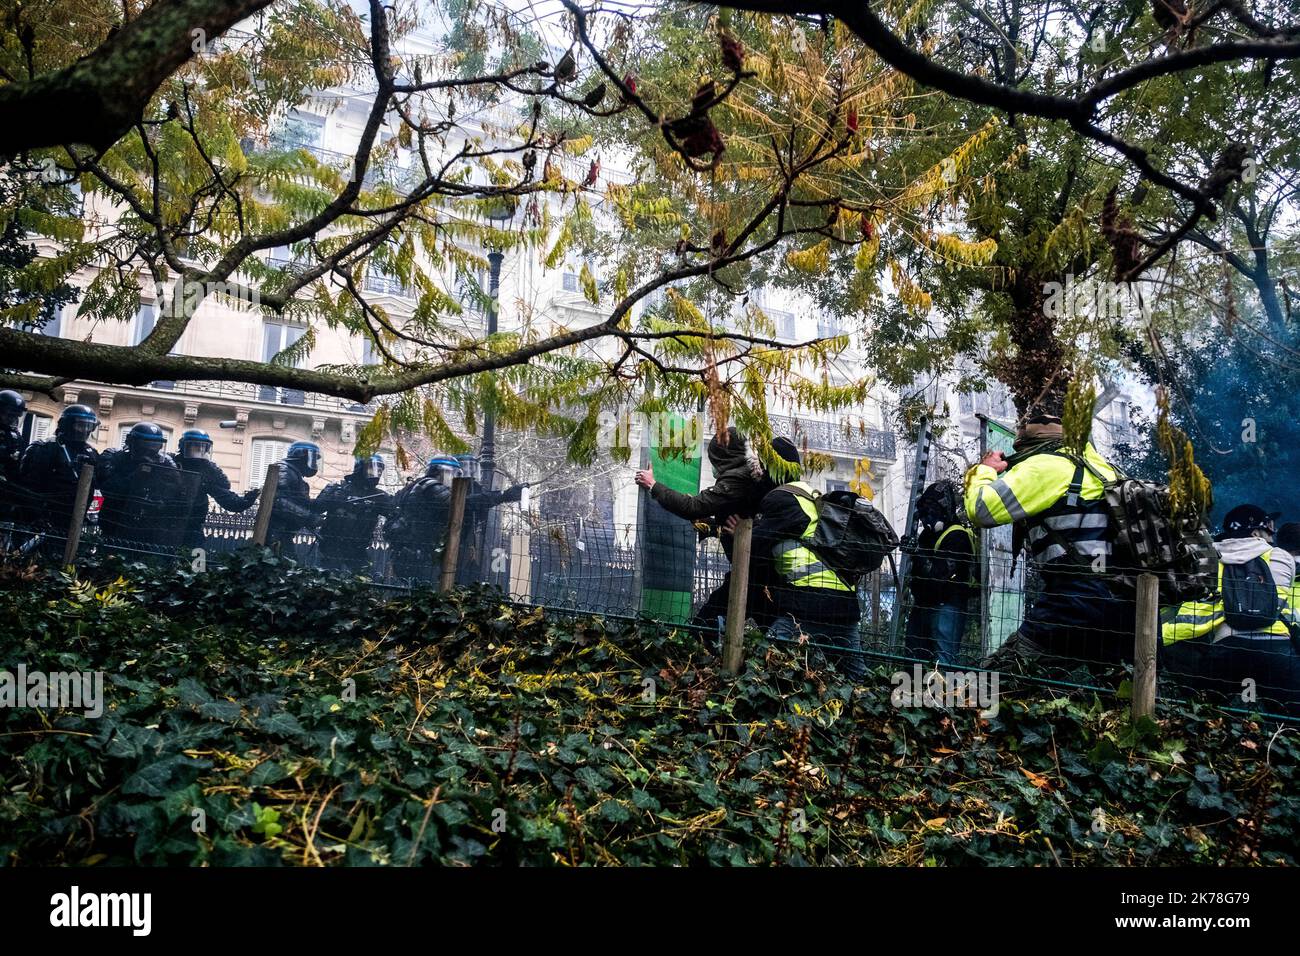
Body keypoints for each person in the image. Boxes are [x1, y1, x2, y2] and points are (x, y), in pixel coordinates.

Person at [965, 412, 1134, 672]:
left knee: (999, 681)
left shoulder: (1046, 466)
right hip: (1123, 599)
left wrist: (985, 470)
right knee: (1122, 693)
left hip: (1075, 599)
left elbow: (981, 509)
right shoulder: (1102, 467)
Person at [635, 428, 796, 631]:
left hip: (751, 573)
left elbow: (693, 506)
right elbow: (737, 517)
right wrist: (710, 526)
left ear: (723, 457)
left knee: (706, 624)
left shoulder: (737, 478)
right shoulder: (752, 475)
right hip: (759, 571)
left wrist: (653, 485)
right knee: (769, 628)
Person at [1161, 504, 1300, 713]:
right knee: (1290, 716)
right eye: (1268, 530)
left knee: (1208, 714)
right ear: (1255, 532)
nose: (1272, 535)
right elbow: (1279, 600)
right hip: (1277, 646)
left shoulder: (1208, 557)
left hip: (1226, 644)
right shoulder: (1281, 556)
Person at [751, 449, 866, 680]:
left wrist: (733, 534)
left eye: (762, 467)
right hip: (845, 604)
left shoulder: (781, 498)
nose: (759, 473)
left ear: (773, 469)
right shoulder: (811, 496)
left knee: (766, 664)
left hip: (809, 605)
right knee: (857, 679)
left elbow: (753, 549)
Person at [905, 479, 978, 666]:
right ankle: (914, 693)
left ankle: (943, 695)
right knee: (914, 659)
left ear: (944, 510)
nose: (926, 517)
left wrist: (917, 553)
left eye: (932, 510)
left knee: (944, 663)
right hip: (924, 604)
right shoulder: (928, 536)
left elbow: (939, 576)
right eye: (924, 512)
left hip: (947, 605)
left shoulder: (957, 535)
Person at [97, 422, 190, 549]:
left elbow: (178, 495)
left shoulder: (165, 463)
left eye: (155, 446)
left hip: (149, 530)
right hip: (115, 525)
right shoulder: (117, 457)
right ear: (132, 443)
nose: (149, 453)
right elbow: (108, 489)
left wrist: (168, 491)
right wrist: (136, 476)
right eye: (145, 446)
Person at [17, 403, 101, 537]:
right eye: (80, 425)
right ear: (66, 425)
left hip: (73, 519)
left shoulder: (91, 453)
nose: (84, 430)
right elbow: (29, 486)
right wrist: (37, 515)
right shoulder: (46, 448)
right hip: (42, 517)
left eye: (88, 426)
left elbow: (97, 487)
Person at [171, 429, 258, 551]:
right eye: (195, 446)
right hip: (165, 524)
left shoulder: (208, 470)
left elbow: (225, 497)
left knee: (197, 566)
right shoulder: (171, 463)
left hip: (193, 527)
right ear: (184, 446)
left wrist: (245, 501)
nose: (199, 450)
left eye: (203, 446)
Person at [315, 454, 393, 573]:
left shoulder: (380, 496)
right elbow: (316, 508)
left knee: (363, 579)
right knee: (327, 578)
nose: (376, 473)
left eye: (379, 470)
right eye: (372, 469)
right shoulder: (338, 488)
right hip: (332, 544)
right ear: (360, 468)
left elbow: (394, 514)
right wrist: (335, 501)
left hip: (358, 547)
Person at [265, 441, 325, 555]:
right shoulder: (284, 470)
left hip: (283, 533)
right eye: (313, 459)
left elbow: (299, 503)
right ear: (301, 456)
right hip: (275, 533)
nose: (314, 463)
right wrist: (308, 517)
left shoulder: (294, 474)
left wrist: (324, 502)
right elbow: (279, 502)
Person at [0, 390, 29, 527]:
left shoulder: (16, 437)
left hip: (7, 495)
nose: (12, 419)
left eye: (16, 416)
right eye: (9, 415)